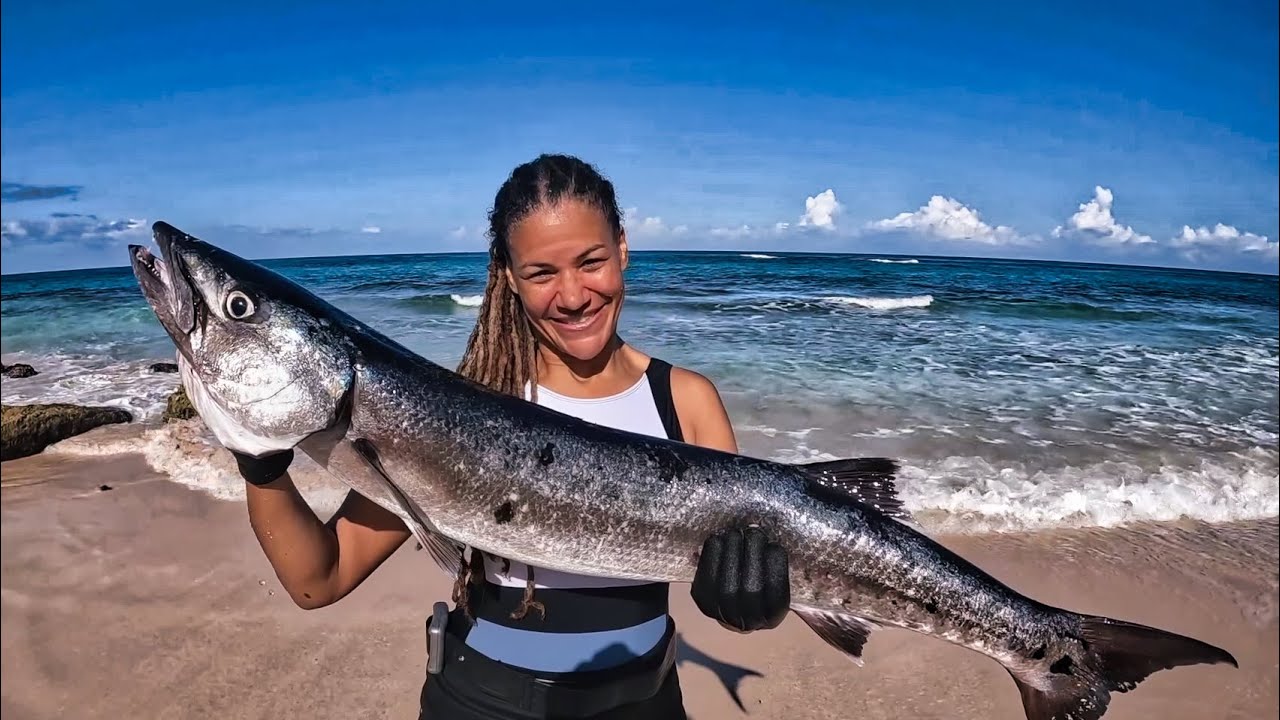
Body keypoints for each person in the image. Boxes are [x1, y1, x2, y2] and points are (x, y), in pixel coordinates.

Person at [230, 153, 791, 719]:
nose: (573, 296)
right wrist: (258, 459)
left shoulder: (687, 402)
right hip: (480, 703)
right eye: (542, 273)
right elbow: (318, 578)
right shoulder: (452, 415)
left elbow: (734, 580)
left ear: (623, 248)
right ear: (508, 276)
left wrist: (750, 605)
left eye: (591, 261)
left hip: (645, 702)